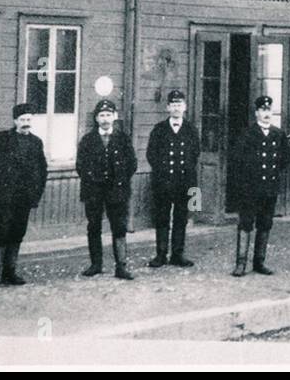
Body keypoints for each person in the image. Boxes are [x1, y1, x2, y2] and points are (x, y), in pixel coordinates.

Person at [0, 104, 48, 291]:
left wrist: (36, 193)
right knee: (1, 233)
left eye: (29, 120)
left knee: (18, 233)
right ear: (15, 121)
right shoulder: (2, 138)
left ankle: (10, 272)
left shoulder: (36, 142)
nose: (26, 123)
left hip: (25, 198)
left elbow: (42, 170)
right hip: (5, 196)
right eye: (22, 120)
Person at [77, 99, 139, 280]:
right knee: (94, 226)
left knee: (118, 227)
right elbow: (80, 165)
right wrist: (93, 181)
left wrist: (119, 180)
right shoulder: (88, 140)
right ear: (96, 118)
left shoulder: (122, 138)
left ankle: (121, 266)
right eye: (102, 115)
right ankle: (96, 264)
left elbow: (132, 164)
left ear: (114, 117)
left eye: (108, 115)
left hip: (117, 191)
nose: (105, 119)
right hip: (93, 191)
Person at [231, 95, 290, 277]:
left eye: (268, 110)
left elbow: (285, 159)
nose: (266, 113)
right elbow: (237, 160)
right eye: (263, 110)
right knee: (246, 223)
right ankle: (241, 263)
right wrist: (246, 182)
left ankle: (259, 262)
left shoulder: (278, 134)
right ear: (256, 112)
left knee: (265, 224)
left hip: (269, 188)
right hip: (250, 188)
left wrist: (272, 176)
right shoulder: (247, 134)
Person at [145, 89, 200, 268]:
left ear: (185, 107)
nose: (176, 108)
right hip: (163, 181)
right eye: (173, 105)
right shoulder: (159, 129)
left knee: (181, 217)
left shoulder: (191, 130)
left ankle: (177, 254)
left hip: (185, 182)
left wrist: (186, 175)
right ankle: (161, 254)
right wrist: (162, 173)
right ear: (168, 107)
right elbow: (151, 154)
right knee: (162, 217)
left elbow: (195, 154)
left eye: (180, 105)